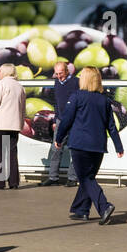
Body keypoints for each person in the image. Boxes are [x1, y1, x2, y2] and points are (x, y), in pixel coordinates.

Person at [54, 67, 124, 223]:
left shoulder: (77, 97)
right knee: (88, 177)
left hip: (80, 144)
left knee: (85, 178)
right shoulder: (104, 100)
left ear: (84, 80)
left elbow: (66, 120)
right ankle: (81, 210)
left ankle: (104, 206)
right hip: (98, 146)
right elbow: (111, 126)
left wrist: (59, 138)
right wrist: (119, 147)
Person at [0, 63, 26, 189]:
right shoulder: (20, 87)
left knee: (0, 155)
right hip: (15, 125)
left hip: (2, 124)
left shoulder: (1, 84)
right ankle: (14, 182)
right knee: (13, 154)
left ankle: (0, 183)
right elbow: (23, 108)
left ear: (5, 72)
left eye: (0, 71)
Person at [40, 59, 79, 187]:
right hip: (60, 120)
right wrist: (56, 119)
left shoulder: (76, 82)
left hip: (74, 121)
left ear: (67, 71)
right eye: (56, 74)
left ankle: (72, 178)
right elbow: (56, 102)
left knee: (74, 149)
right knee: (56, 148)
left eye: (60, 73)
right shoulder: (57, 82)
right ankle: (53, 177)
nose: (58, 76)